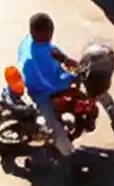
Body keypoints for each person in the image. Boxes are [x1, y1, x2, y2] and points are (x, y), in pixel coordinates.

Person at [17, 13, 78, 160]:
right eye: (48, 33)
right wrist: (72, 78)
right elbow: (51, 84)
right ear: (37, 33)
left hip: (47, 75)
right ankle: (69, 156)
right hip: (39, 89)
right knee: (55, 127)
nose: (51, 35)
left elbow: (51, 48)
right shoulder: (36, 57)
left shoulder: (36, 41)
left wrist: (65, 59)